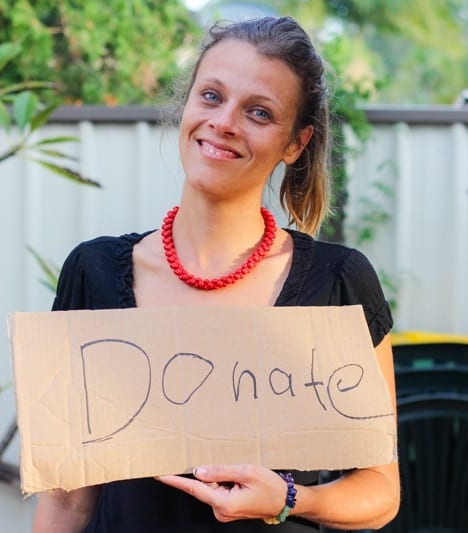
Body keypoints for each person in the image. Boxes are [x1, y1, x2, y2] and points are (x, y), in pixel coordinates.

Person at [33, 16, 399, 532]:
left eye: (258, 112)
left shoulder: (338, 283)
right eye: (210, 96)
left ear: (295, 144)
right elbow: (67, 501)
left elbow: (382, 492)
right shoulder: (91, 274)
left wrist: (292, 498)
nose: (224, 122)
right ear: (187, 105)